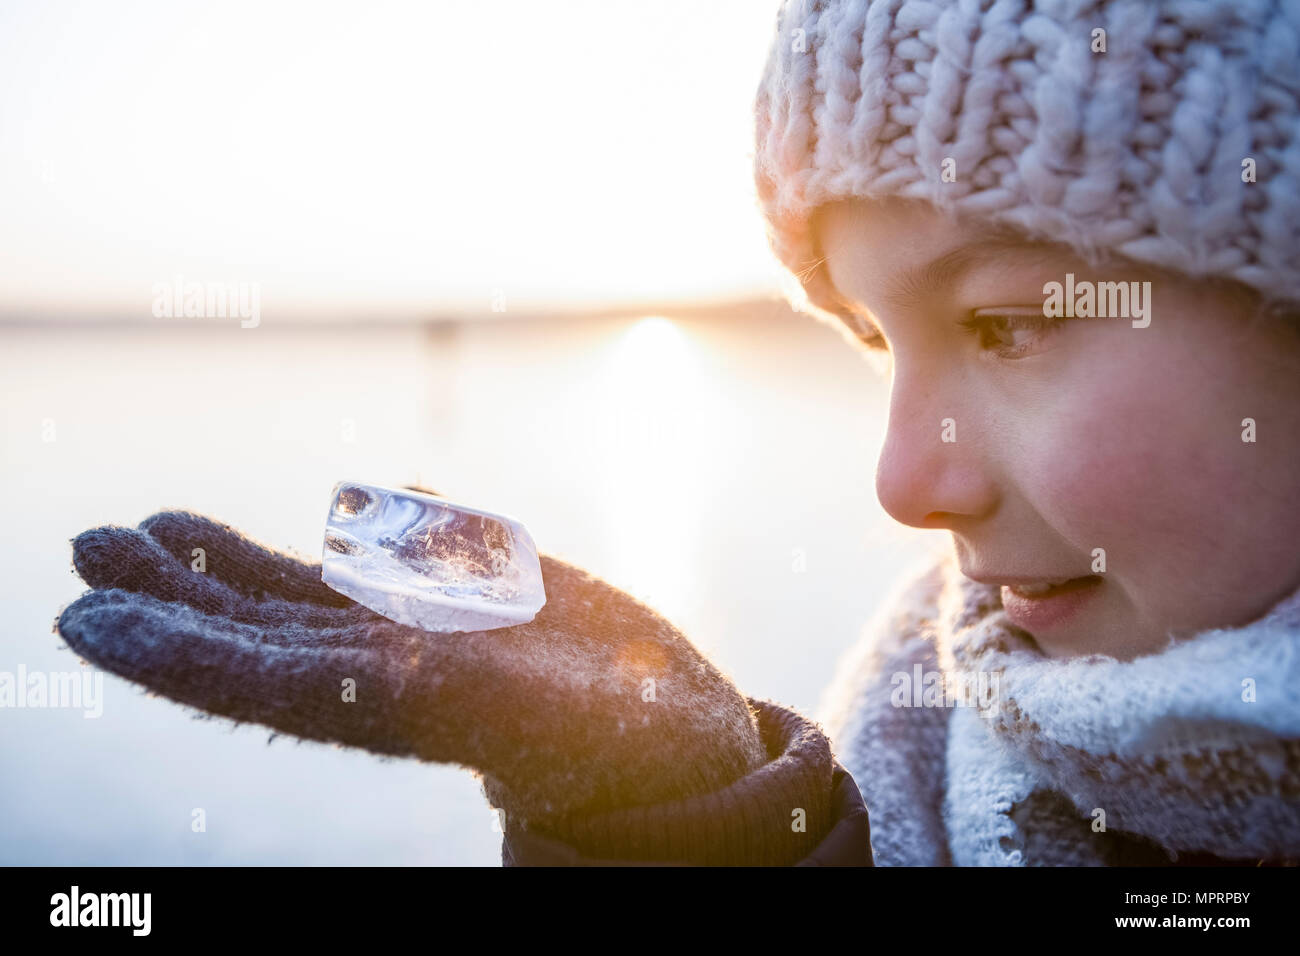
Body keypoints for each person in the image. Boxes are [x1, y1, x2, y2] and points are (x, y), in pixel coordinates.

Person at [57, 0, 1300, 865]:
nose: (903, 480)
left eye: (1006, 325)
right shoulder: (916, 757)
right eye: (873, 340)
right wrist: (692, 825)